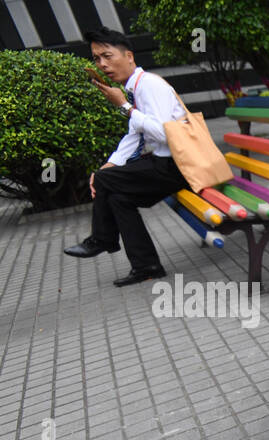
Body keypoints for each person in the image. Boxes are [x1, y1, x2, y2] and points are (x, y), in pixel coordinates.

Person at [63, 27, 190, 287]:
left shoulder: (149, 86)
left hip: (179, 166)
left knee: (105, 181)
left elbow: (165, 135)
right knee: (119, 198)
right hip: (165, 164)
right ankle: (147, 266)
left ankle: (102, 239)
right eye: (97, 59)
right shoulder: (133, 88)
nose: (102, 64)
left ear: (129, 56)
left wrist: (124, 107)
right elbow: (135, 135)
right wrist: (109, 165)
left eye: (108, 56)